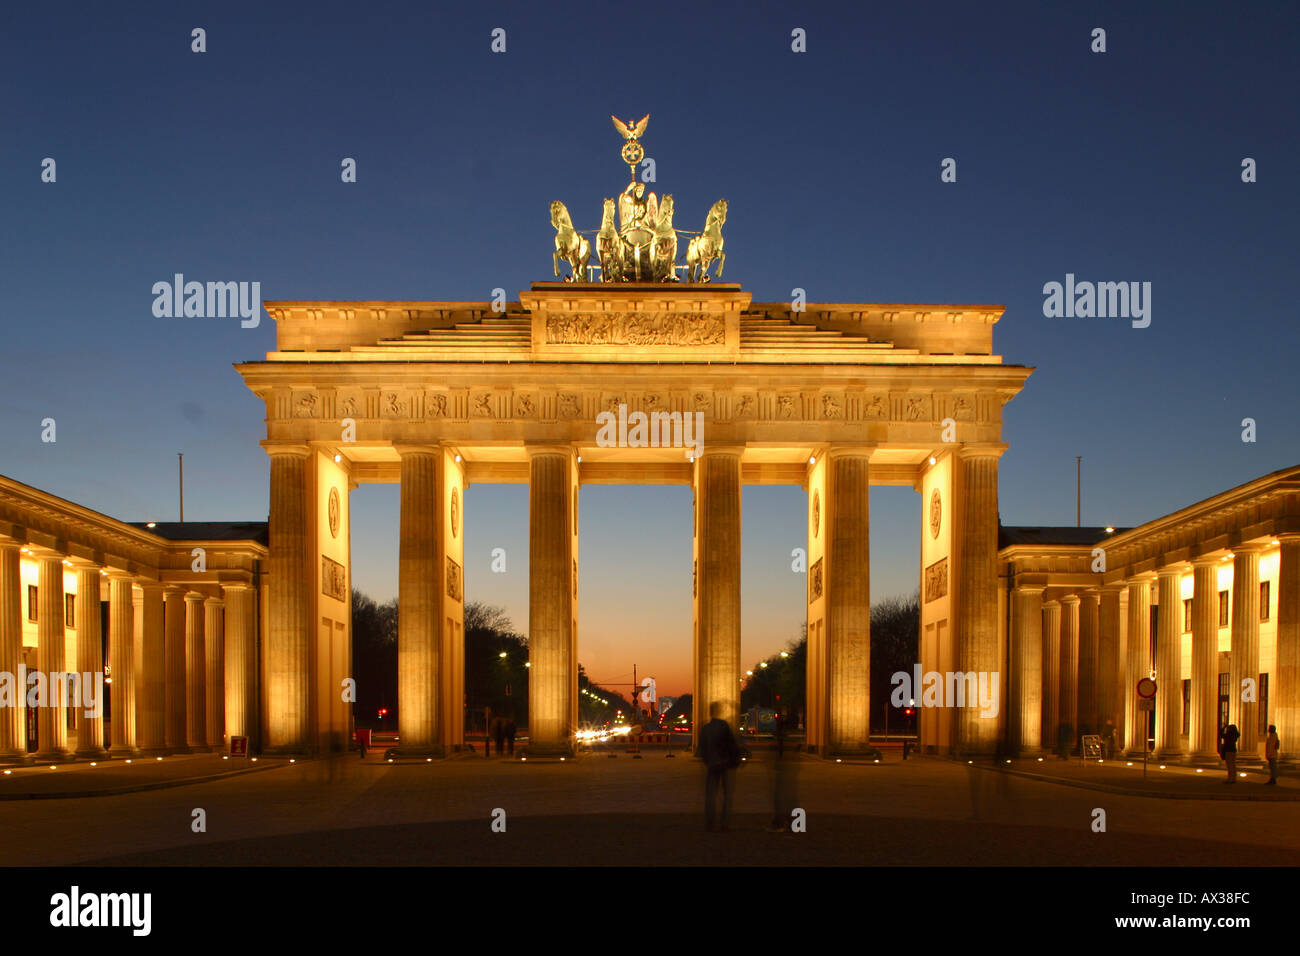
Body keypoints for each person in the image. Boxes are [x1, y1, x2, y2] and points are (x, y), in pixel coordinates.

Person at [700, 702, 741, 832]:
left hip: (712, 764)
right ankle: (724, 823)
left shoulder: (705, 728)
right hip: (724, 763)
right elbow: (732, 744)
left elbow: (702, 748)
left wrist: (707, 760)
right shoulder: (724, 726)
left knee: (710, 795)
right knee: (727, 795)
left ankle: (710, 823)